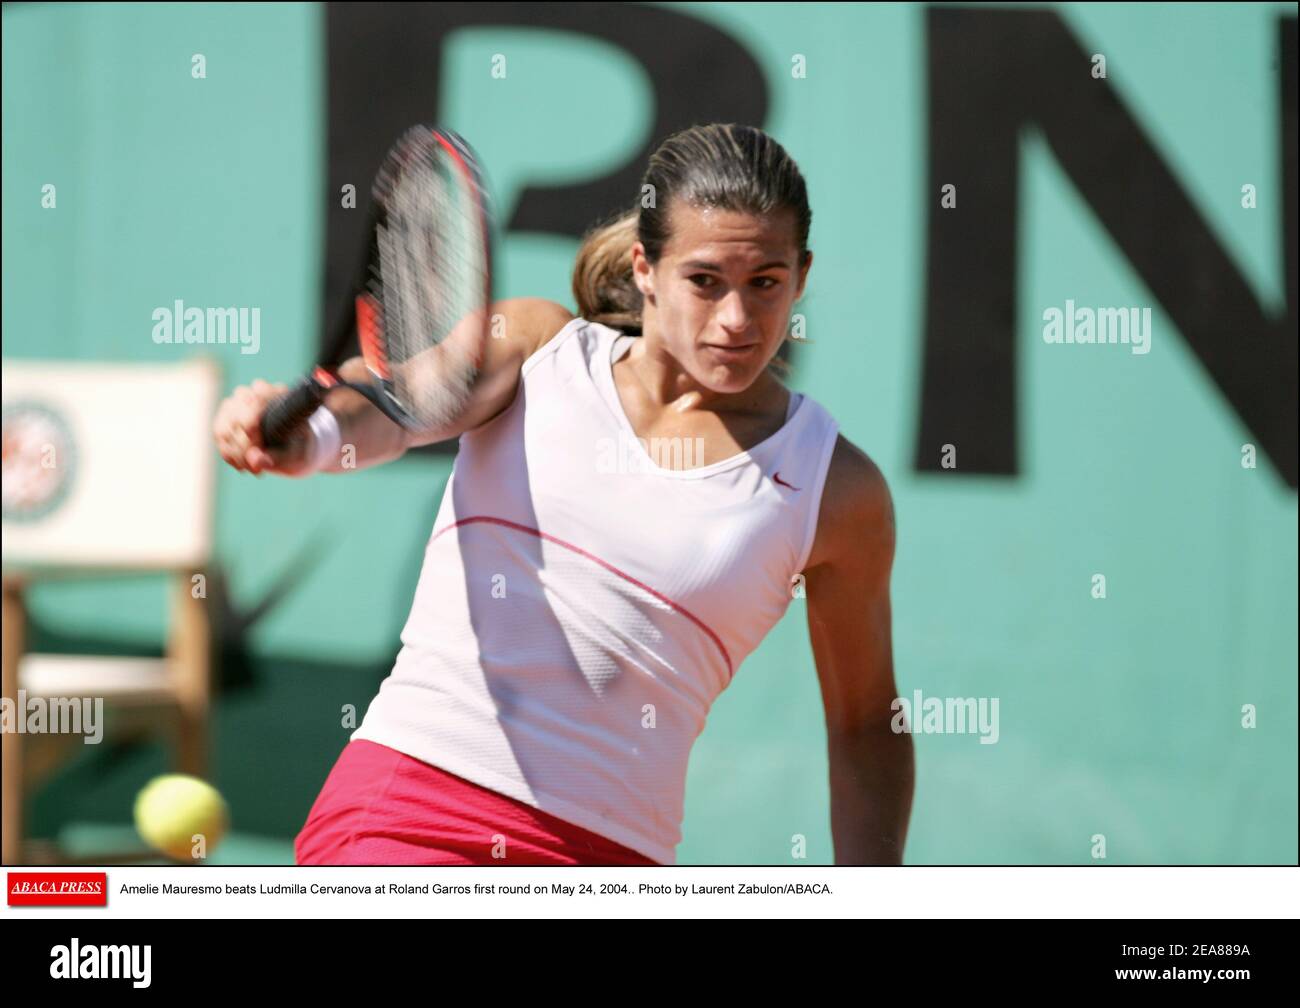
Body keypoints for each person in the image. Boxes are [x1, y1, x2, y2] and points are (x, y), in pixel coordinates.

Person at [212, 123, 913, 866]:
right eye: (704, 280)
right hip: (412, 813)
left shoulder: (836, 489)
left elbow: (867, 722)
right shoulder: (538, 347)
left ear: (800, 276)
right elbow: (395, 404)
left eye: (765, 283)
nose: (737, 320)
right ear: (646, 267)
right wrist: (313, 436)